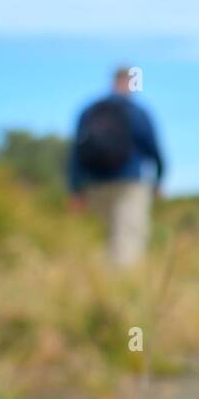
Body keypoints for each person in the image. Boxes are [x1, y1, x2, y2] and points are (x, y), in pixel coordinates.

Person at [68, 67, 165, 267]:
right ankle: (123, 288)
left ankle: (99, 283)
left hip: (95, 183)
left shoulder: (89, 111)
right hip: (130, 182)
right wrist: (158, 179)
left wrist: (76, 189)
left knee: (106, 236)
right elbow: (153, 149)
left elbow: (76, 153)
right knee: (128, 235)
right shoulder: (137, 112)